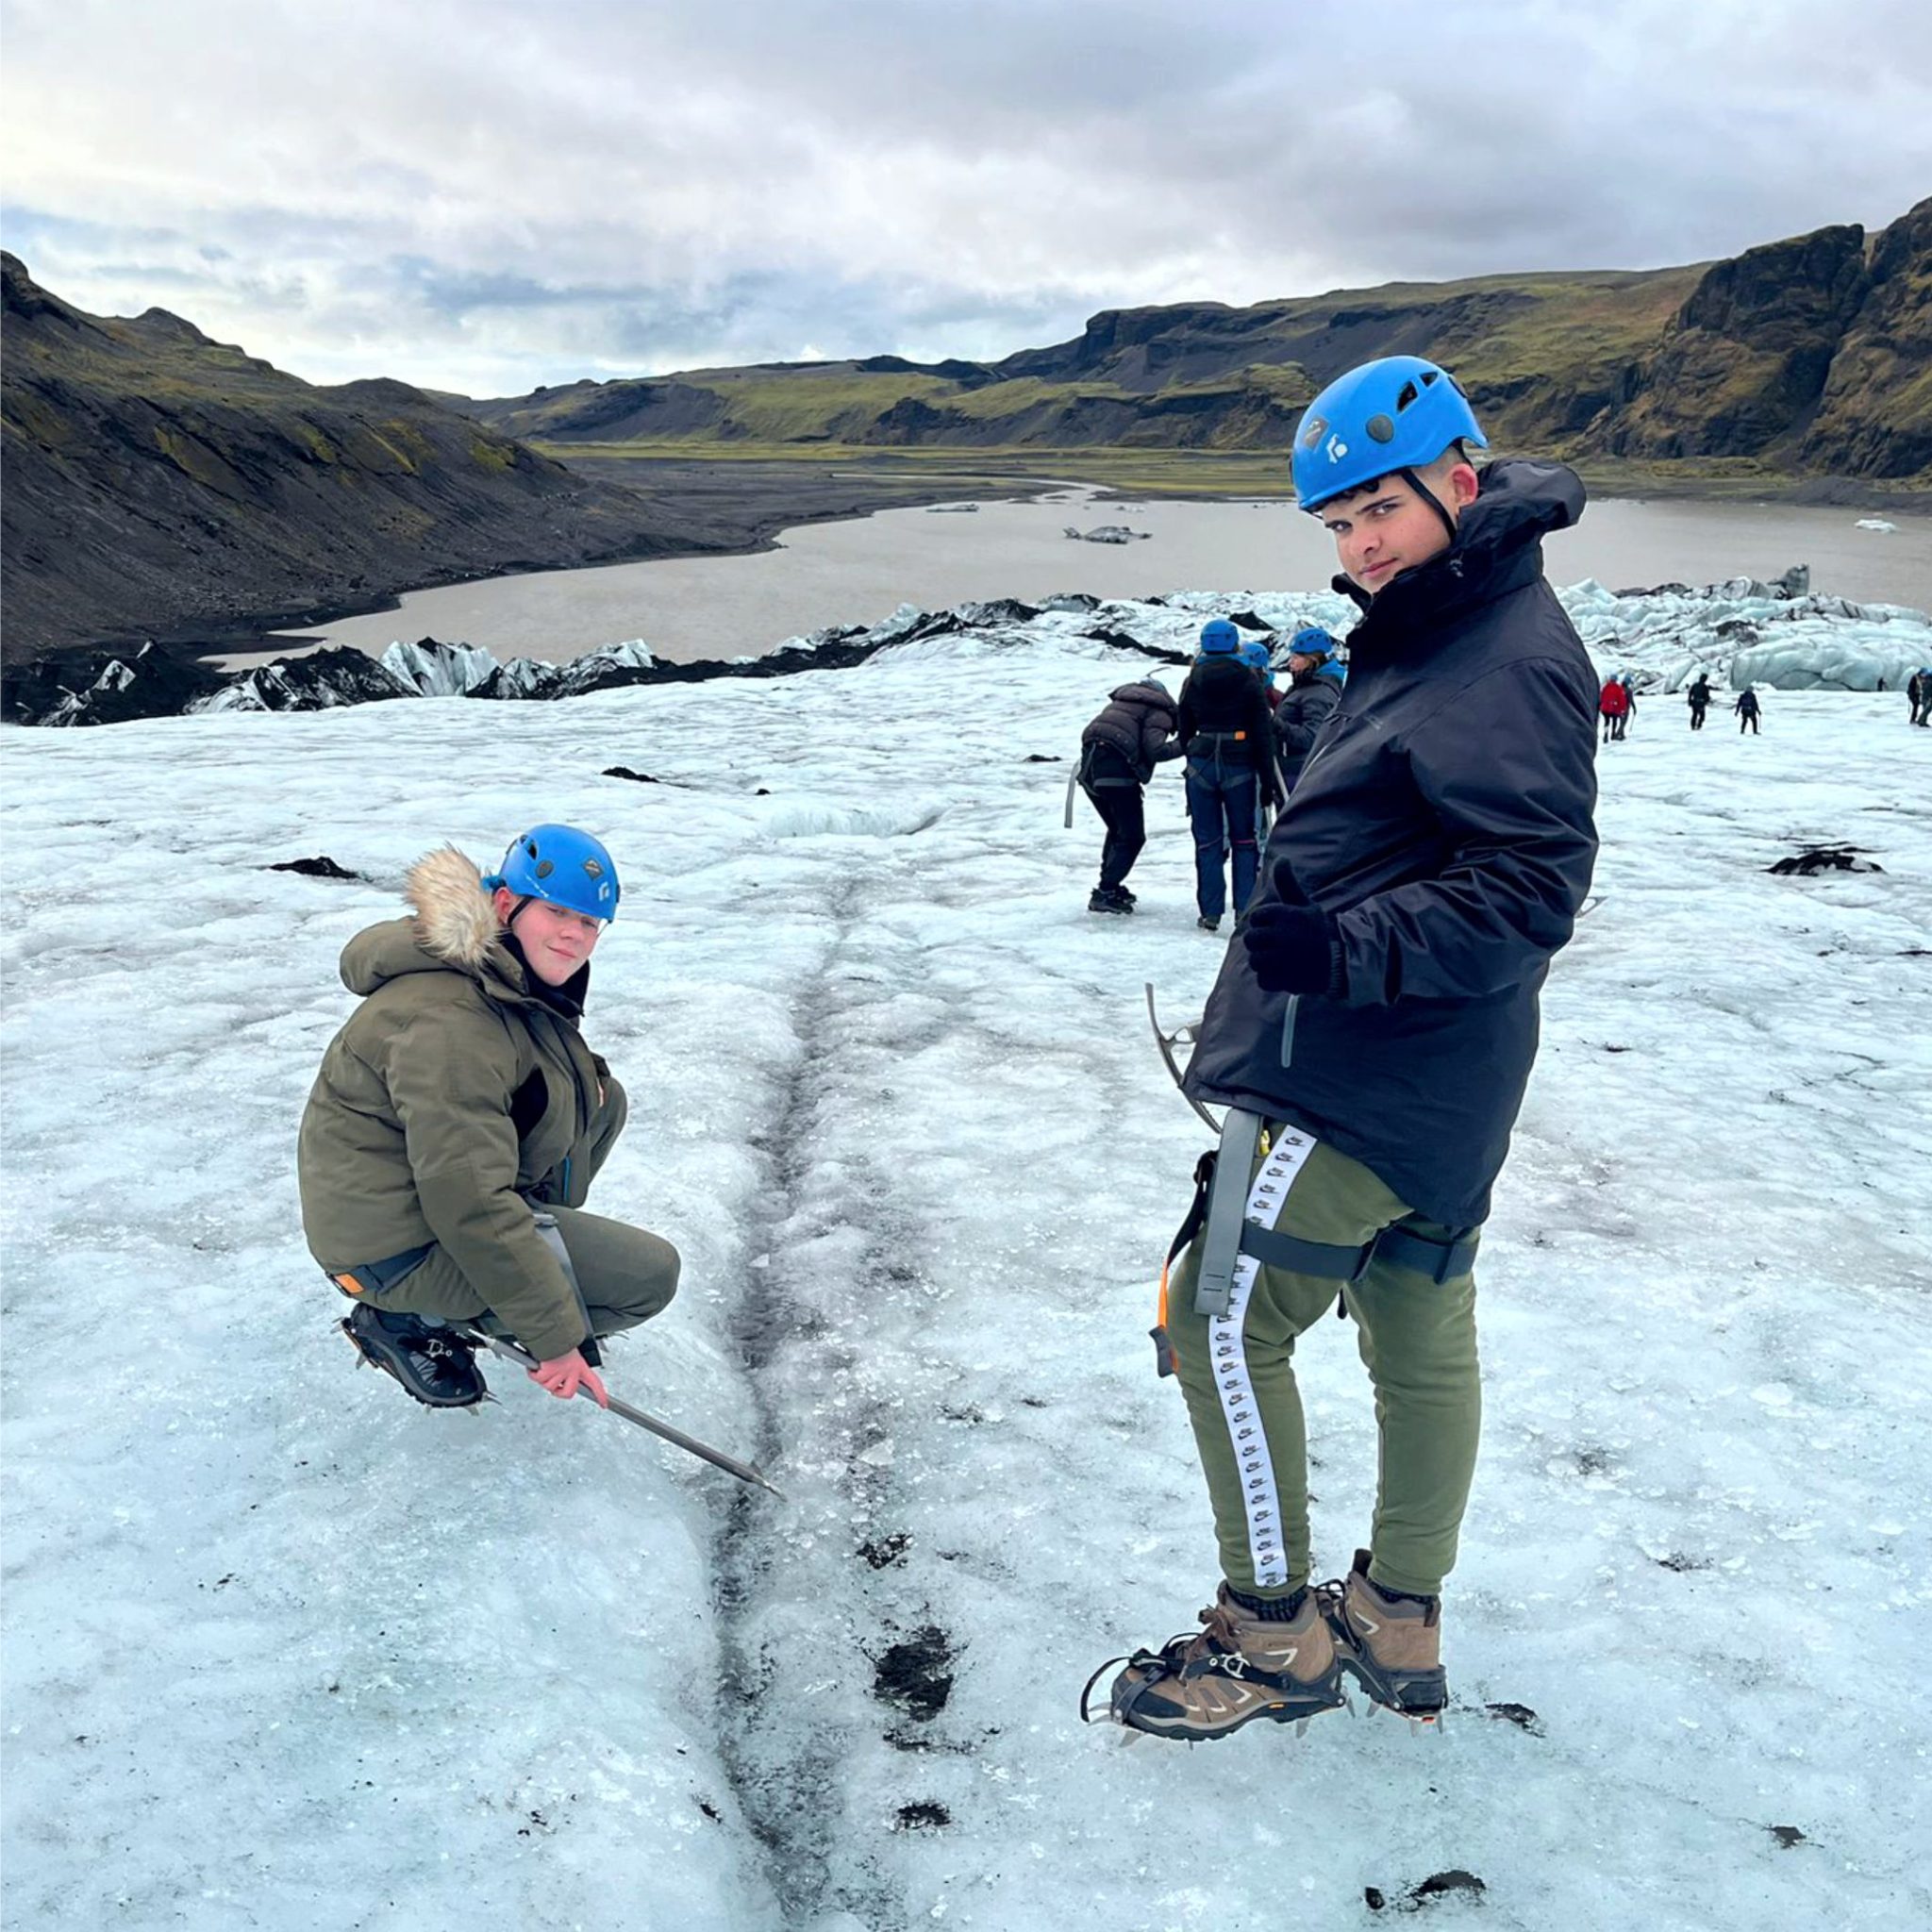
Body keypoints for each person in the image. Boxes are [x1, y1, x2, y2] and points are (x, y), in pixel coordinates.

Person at [1099, 355, 1597, 1742]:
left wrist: (1348, 949)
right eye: (1333, 523)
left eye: (1376, 507)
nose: (1358, 543)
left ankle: (1272, 1638)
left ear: (1459, 477)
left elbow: (1529, 887)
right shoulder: (1454, 618)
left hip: (1363, 1068)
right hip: (1443, 1079)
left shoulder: (1504, 654)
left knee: (1218, 1320)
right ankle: (1397, 1610)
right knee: (1418, 1326)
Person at [299, 826, 679, 1408]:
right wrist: (554, 1337)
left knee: (601, 1102)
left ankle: (509, 1270)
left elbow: (527, 1062)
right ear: (506, 903)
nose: (574, 936)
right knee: (648, 1277)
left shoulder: (495, 970)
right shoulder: (451, 1022)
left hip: (423, 1199)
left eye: (589, 923)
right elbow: (468, 1200)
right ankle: (409, 1318)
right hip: (392, 1249)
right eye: (557, 912)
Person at [1177, 619, 1284, 932]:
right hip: (1240, 763)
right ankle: (1244, 911)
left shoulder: (1193, 678)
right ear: (1235, 644)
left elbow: (1184, 725)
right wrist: (1267, 782)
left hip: (1202, 763)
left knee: (1208, 841)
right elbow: (1263, 733)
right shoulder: (1248, 679)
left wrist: (1192, 752)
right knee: (1244, 840)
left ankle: (1210, 912)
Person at [1078, 677, 1181, 914]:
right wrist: (1188, 744)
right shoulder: (1158, 711)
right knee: (1133, 836)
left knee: (1118, 831)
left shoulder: (1119, 704)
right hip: (1118, 774)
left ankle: (1109, 886)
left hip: (1090, 773)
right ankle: (1105, 891)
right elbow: (1156, 750)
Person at [1273, 626, 1346, 792]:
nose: (1290, 663)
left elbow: (1313, 738)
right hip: (1295, 769)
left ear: (1313, 660)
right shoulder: (1305, 686)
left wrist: (1275, 724)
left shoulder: (1319, 693)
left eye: (1296, 657)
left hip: (1301, 773)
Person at [1598, 674, 1630, 742]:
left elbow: (1601, 697)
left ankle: (1605, 735)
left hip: (1605, 708)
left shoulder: (1605, 687)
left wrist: (1601, 705)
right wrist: (1623, 708)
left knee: (1607, 722)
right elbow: (1622, 699)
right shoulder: (1618, 688)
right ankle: (1613, 735)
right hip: (1614, 708)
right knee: (1614, 722)